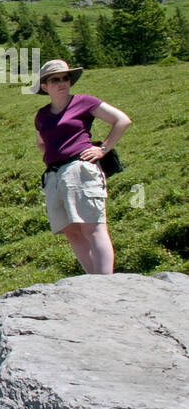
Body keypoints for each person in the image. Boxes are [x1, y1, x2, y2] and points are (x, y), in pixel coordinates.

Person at [33, 59, 131, 274]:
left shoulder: (84, 102)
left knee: (93, 227)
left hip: (80, 168)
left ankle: (106, 282)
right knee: (71, 231)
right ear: (44, 86)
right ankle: (93, 280)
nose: (62, 83)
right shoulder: (42, 115)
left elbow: (121, 120)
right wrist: (52, 153)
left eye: (65, 78)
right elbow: (41, 142)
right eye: (55, 79)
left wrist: (103, 149)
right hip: (54, 175)